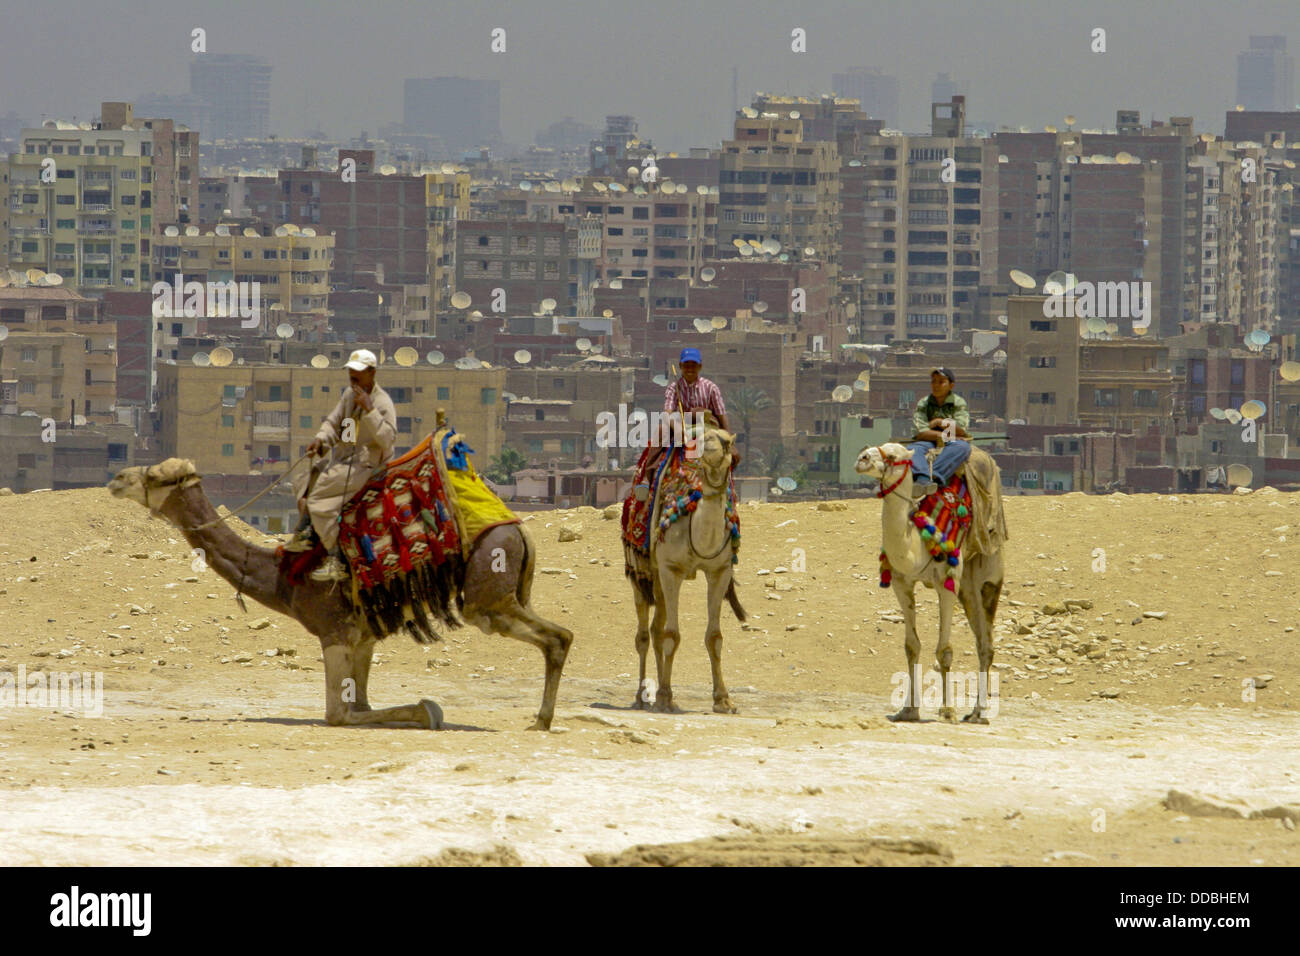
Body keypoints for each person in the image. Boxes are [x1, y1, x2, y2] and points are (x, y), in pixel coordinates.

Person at [284, 348, 398, 582]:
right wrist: (321, 440)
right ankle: (306, 534)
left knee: (318, 503)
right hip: (343, 460)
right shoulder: (349, 395)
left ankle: (338, 558)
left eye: (358, 372)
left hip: (366, 466)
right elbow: (334, 424)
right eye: (350, 371)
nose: (352, 376)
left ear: (372, 372)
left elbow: (387, 440)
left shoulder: (382, 403)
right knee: (304, 479)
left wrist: (370, 410)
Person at [646, 347, 740, 471]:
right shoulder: (674, 388)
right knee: (661, 431)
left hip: (707, 428)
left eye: (693, 365)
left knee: (725, 459)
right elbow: (667, 414)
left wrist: (729, 443)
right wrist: (677, 428)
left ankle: (726, 484)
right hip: (682, 426)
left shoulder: (711, 388)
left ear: (700, 367)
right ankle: (650, 474)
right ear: (680, 366)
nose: (690, 369)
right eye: (686, 365)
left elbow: (721, 415)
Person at [909, 367, 971, 499]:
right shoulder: (924, 403)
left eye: (941, 382)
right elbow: (920, 431)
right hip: (927, 442)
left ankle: (935, 475)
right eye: (934, 381)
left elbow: (961, 428)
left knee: (963, 448)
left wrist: (939, 422)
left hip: (952, 443)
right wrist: (943, 434)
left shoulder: (958, 403)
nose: (936, 385)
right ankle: (923, 477)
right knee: (912, 449)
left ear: (951, 385)